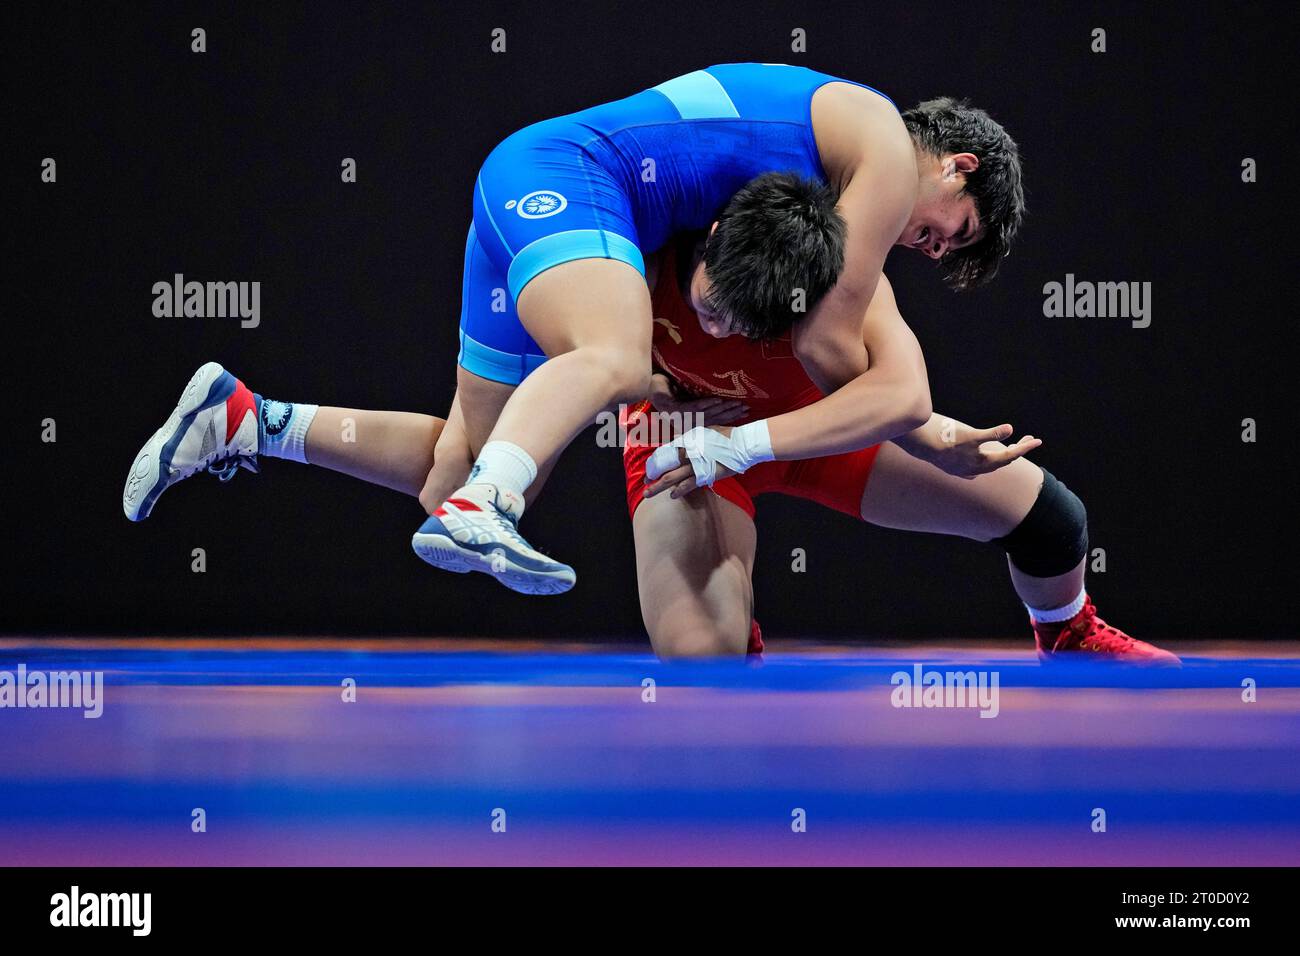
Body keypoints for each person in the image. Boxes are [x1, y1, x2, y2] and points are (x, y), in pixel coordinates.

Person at [121, 178, 1174, 665]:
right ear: (702, 233)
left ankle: (1068, 631)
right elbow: (601, 375)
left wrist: (928, 429)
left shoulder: (840, 276)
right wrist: (663, 406)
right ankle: (255, 420)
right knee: (694, 654)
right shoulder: (618, 256)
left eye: (738, 313)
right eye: (706, 299)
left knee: (1048, 515)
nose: (715, 320)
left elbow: (895, 398)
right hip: (678, 455)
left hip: (806, 431)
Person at [412, 63, 1024, 595]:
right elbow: (823, 342)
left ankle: (345, 444)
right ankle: (486, 503)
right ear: (957, 167)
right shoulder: (887, 155)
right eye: (959, 228)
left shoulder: (838, 148)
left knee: (463, 457)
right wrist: (927, 434)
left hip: (522, 192)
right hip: (567, 176)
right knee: (614, 362)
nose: (939, 249)